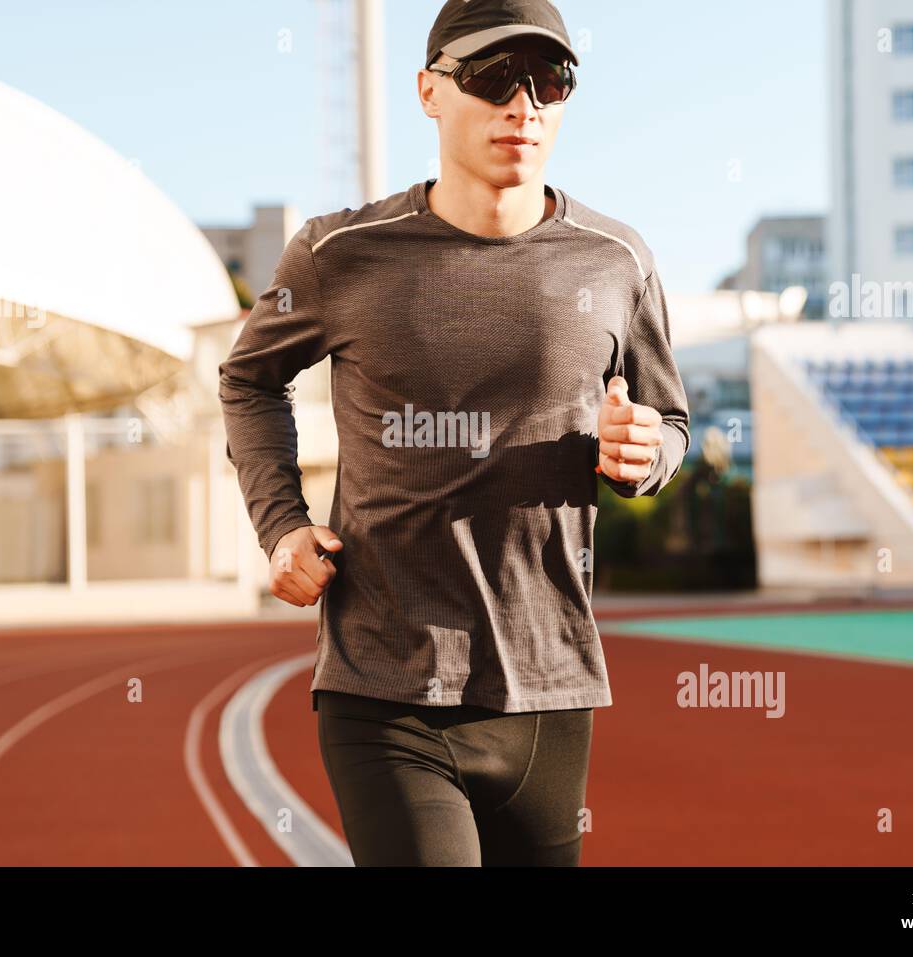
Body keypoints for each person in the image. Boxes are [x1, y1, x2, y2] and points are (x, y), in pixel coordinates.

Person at [219, 0, 690, 866]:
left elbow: (670, 422)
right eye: (493, 77)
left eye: (548, 81)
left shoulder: (617, 260)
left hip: (551, 691)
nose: (524, 105)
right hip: (386, 685)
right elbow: (249, 378)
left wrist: (645, 454)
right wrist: (281, 524)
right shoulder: (339, 254)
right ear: (430, 91)